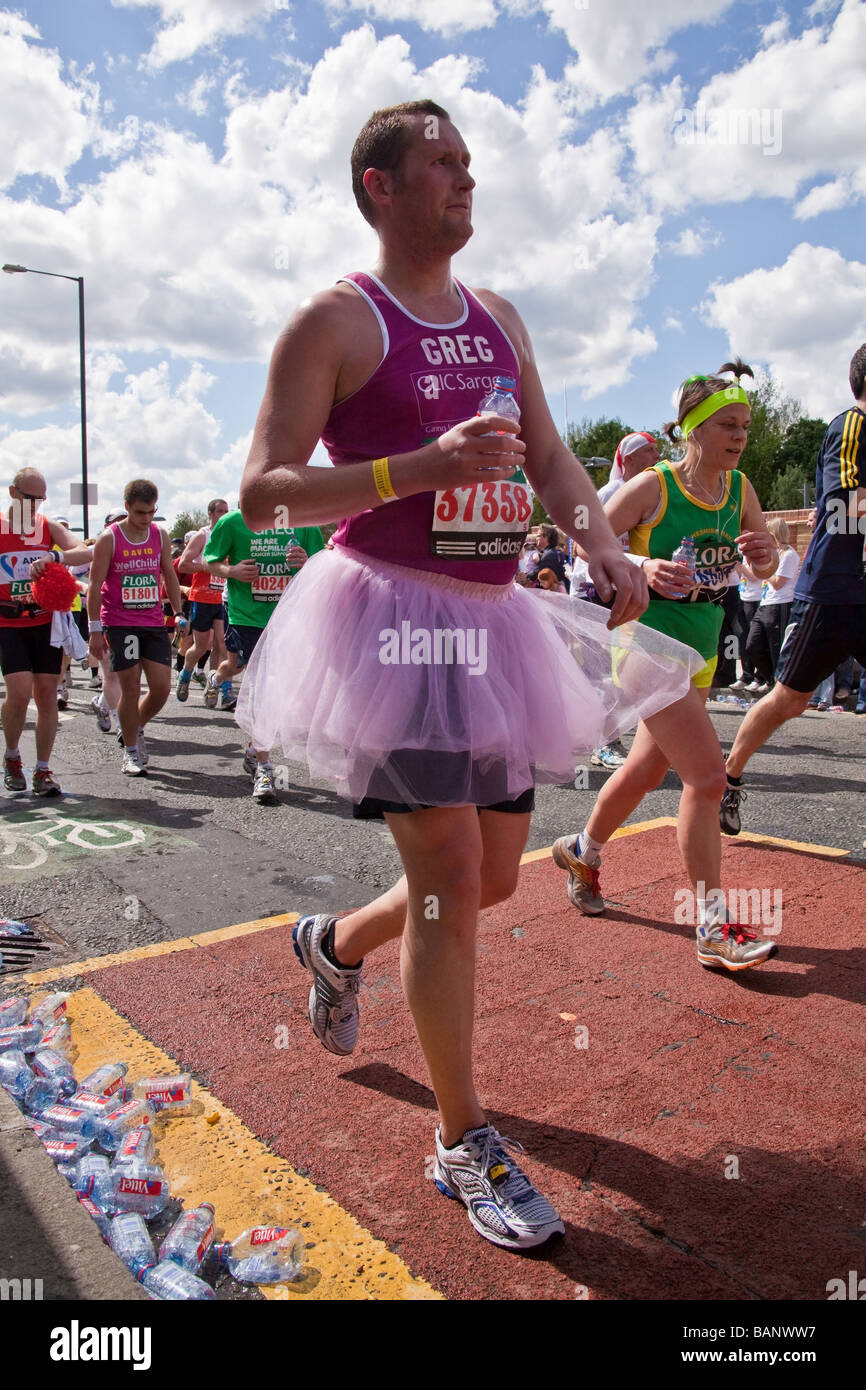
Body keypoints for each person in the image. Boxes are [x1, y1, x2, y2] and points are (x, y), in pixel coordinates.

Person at [236, 100, 697, 1250]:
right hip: (387, 621)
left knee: (487, 881)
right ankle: (460, 1138)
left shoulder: (498, 316)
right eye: (440, 162)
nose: (465, 177)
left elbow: (547, 455)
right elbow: (263, 491)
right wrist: (413, 467)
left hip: (496, 624)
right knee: (446, 870)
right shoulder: (336, 319)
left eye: (467, 162)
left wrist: (596, 541)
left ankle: (333, 944)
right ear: (378, 186)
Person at [553, 361, 781, 972]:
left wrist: (765, 555)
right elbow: (581, 537)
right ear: (694, 431)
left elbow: (762, 568)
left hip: (701, 651)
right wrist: (638, 566)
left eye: (746, 427)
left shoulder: (740, 489)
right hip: (647, 647)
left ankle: (583, 850)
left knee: (646, 768)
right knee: (707, 781)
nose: (739, 436)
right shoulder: (654, 486)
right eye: (728, 425)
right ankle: (711, 925)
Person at [721, 344, 866, 833]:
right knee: (789, 699)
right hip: (832, 592)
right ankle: (729, 778)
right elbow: (842, 504)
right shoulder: (851, 425)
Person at [201, 507, 324, 802]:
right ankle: (265, 769)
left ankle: (255, 749)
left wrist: (307, 562)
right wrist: (231, 571)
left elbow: (322, 565)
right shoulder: (234, 521)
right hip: (247, 617)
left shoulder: (304, 520)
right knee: (259, 687)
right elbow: (209, 560)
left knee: (283, 693)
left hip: (291, 616)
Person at [85, 479, 186, 776]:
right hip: (120, 622)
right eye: (141, 512)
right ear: (127, 507)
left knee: (161, 688)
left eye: (152, 512)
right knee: (130, 687)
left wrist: (178, 612)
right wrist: (94, 629)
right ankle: (131, 752)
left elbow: (169, 573)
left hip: (153, 621)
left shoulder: (160, 535)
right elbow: (94, 585)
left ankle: (134, 726)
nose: (147, 519)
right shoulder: (109, 538)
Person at [1, 469, 92, 795]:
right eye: (30, 498)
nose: (36, 504)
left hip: (45, 623)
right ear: (13, 492)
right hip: (9, 624)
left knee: (46, 696)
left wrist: (55, 555)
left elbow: (85, 550)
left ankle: (42, 770)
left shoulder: (46, 525)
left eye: (41, 498)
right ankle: (12, 757)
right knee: (20, 693)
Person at [592, 431, 659, 768]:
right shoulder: (610, 493)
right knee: (604, 672)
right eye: (649, 452)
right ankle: (603, 743)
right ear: (628, 459)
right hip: (599, 593)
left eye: (658, 451)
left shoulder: (654, 494)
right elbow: (583, 547)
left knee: (631, 672)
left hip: (631, 591)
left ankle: (655, 742)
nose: (656, 458)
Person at [175, 499, 229, 703]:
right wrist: (207, 568)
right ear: (210, 514)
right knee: (201, 645)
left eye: (226, 511)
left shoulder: (230, 534)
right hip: (202, 597)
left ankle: (214, 686)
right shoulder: (203, 535)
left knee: (222, 644)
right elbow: (183, 565)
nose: (223, 514)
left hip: (223, 597)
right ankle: (185, 674)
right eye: (219, 511)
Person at [742, 517, 799, 695]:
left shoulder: (789, 555)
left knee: (776, 647)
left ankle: (776, 683)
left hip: (780, 603)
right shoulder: (774, 554)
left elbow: (777, 582)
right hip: (765, 602)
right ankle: (767, 677)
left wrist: (762, 569)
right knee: (752, 644)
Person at [529, 523, 570, 590]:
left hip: (553, 592)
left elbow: (538, 571)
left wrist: (526, 577)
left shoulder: (549, 554)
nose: (536, 538)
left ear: (546, 537)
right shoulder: (551, 552)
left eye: (538, 535)